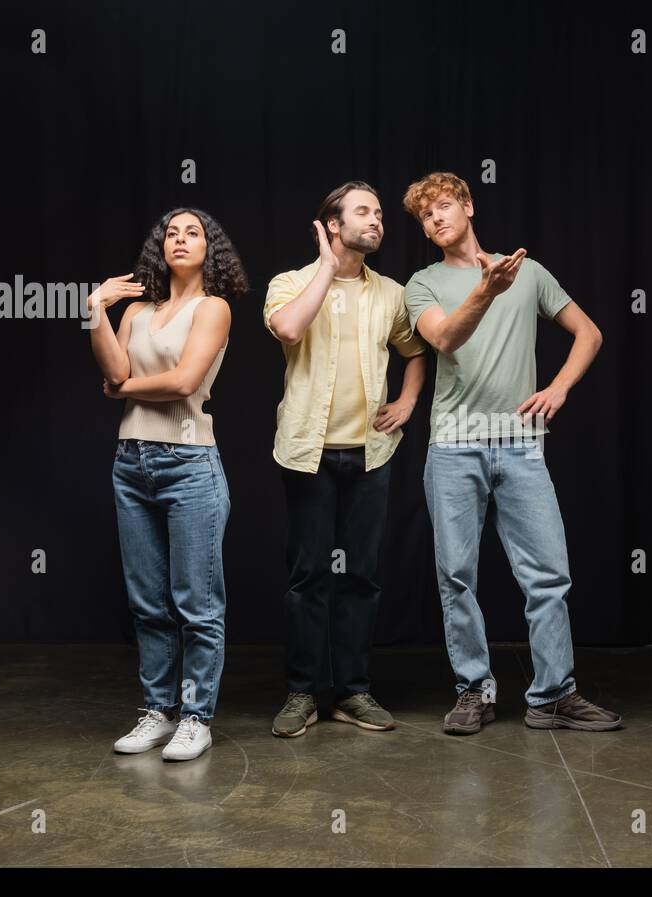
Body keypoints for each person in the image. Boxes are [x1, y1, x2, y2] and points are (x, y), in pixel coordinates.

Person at [402, 171, 622, 735]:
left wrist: (559, 387)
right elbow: (446, 338)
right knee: (456, 576)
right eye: (426, 217)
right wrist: (485, 290)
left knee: (548, 575)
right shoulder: (420, 284)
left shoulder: (528, 272)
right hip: (453, 446)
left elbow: (589, 334)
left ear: (468, 206)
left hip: (520, 445)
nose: (436, 220)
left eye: (444, 207)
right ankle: (474, 689)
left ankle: (552, 696)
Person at [263, 181, 427, 738]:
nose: (377, 220)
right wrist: (326, 270)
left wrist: (406, 401)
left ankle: (354, 692)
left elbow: (415, 352)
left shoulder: (391, 292)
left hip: (370, 456)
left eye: (379, 213)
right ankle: (302, 693)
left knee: (362, 577)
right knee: (308, 577)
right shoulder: (289, 284)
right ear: (331, 225)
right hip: (307, 454)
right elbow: (288, 327)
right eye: (363, 212)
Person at [88, 207, 248, 761]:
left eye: (193, 233)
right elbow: (111, 374)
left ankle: (196, 716)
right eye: (171, 234)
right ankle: (158, 711)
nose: (180, 240)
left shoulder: (214, 308)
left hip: (190, 465)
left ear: (211, 247)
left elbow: (184, 383)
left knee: (195, 603)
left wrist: (127, 387)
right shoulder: (135, 309)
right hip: (130, 464)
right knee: (148, 603)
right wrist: (95, 311)